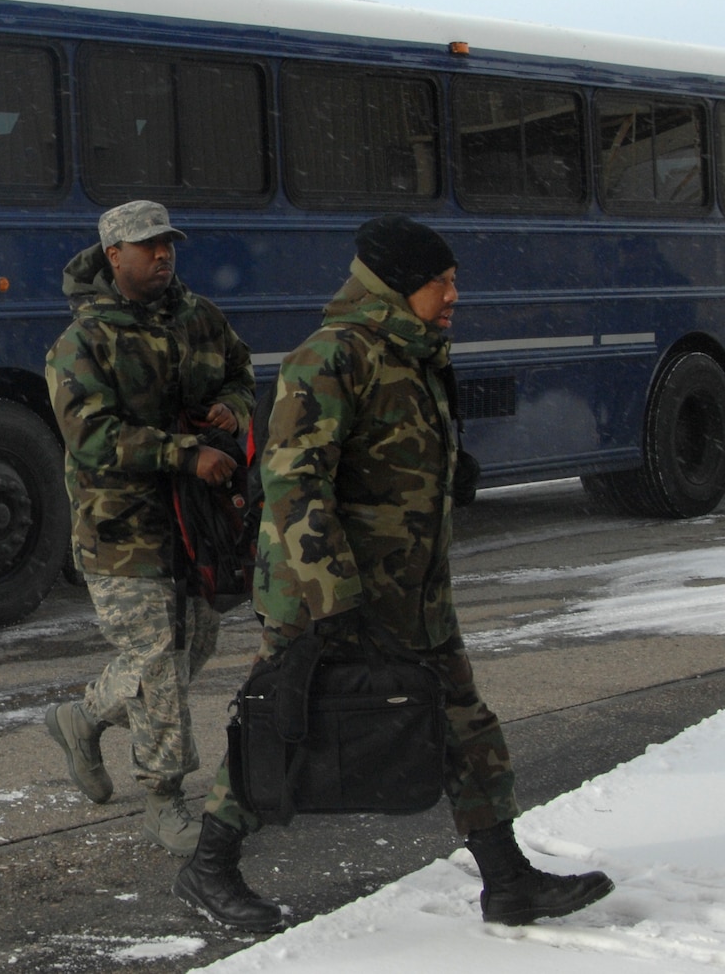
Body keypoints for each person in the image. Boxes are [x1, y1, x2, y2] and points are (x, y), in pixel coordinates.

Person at [174, 215, 614, 931]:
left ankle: (507, 880)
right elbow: (294, 483)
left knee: (464, 720)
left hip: (411, 590)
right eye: (442, 282)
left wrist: (445, 470)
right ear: (400, 283)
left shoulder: (412, 352)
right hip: (327, 594)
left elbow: (389, 450)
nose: (454, 295)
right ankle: (209, 866)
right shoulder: (331, 356)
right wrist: (331, 597)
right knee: (284, 721)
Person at [44, 200, 254, 855]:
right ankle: (164, 799)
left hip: (195, 522)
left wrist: (233, 410)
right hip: (119, 527)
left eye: (168, 244)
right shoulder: (81, 343)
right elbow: (93, 437)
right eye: (147, 246)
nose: (162, 255)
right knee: (159, 654)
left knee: (195, 645)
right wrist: (186, 453)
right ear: (114, 256)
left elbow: (241, 372)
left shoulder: (200, 318)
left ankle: (83, 717)